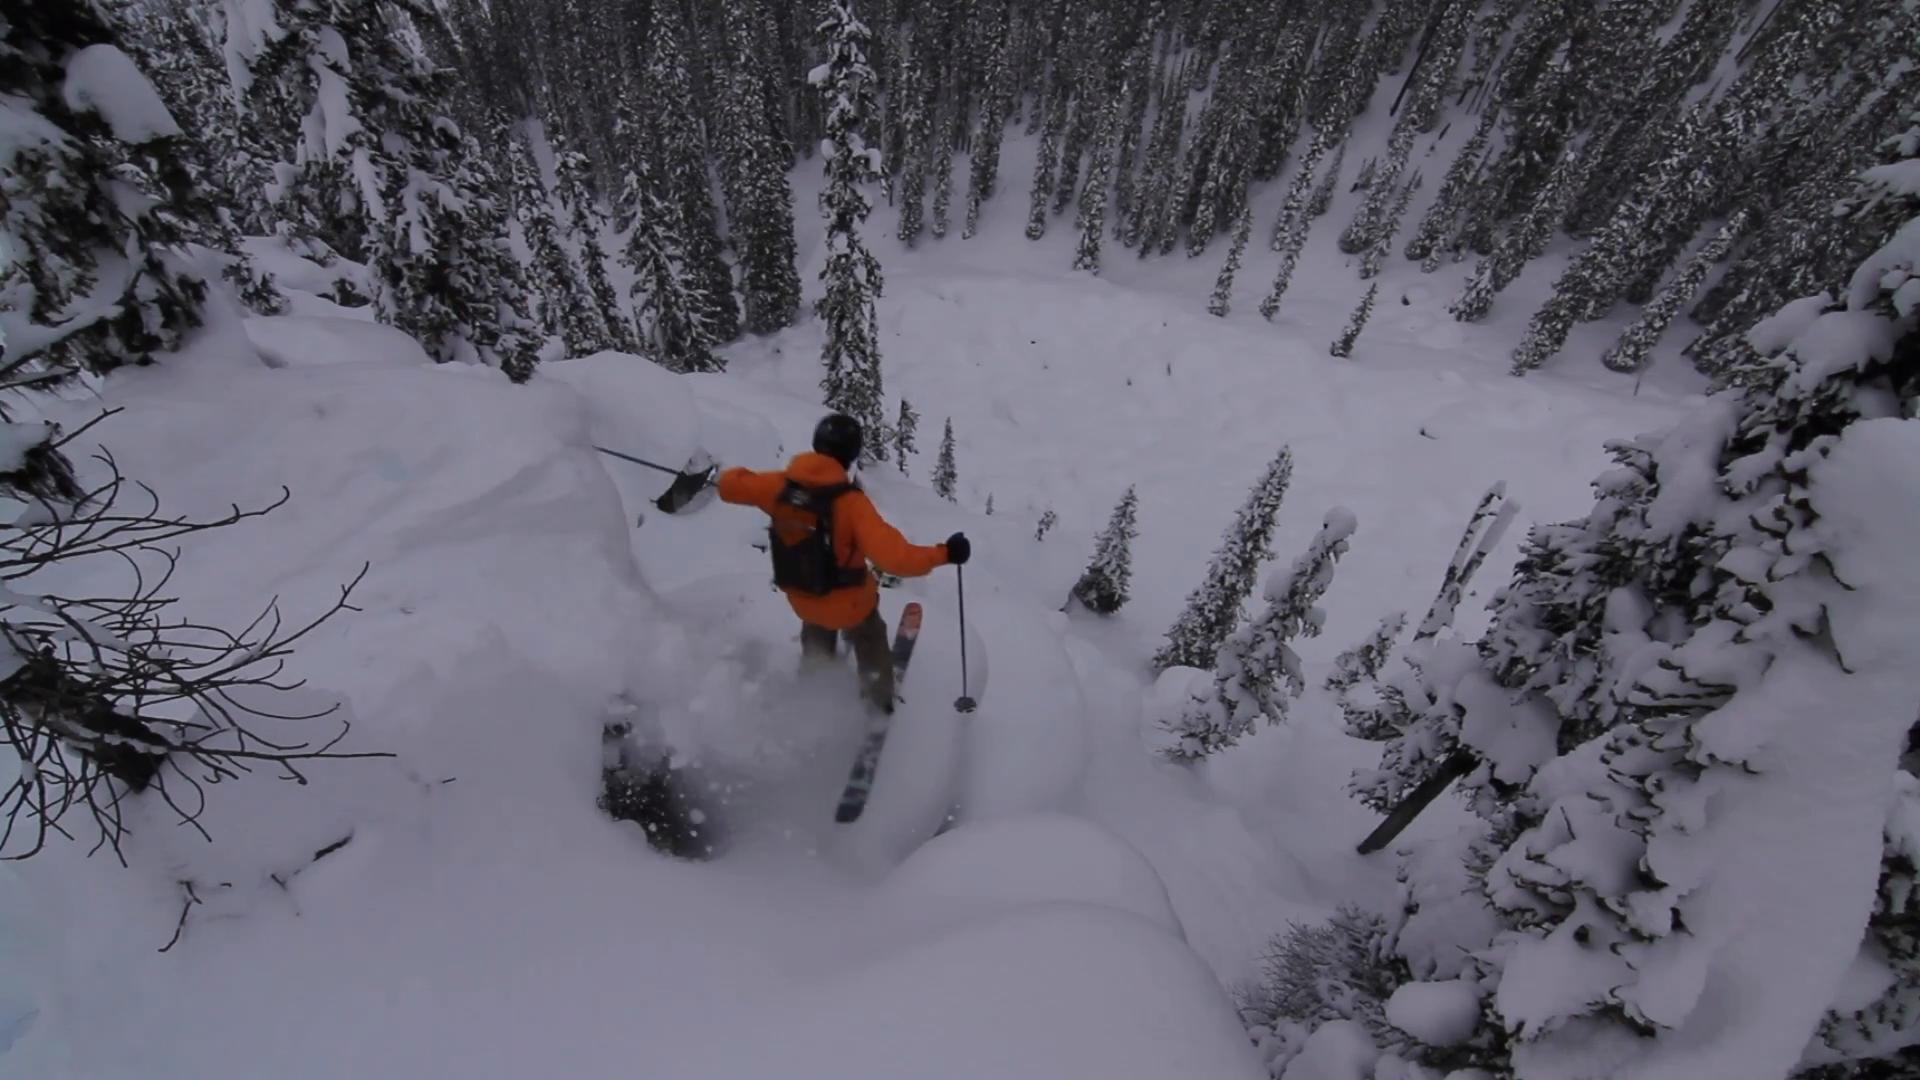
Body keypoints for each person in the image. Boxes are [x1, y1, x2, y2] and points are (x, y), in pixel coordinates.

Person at [718, 413, 970, 714]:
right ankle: (879, 696)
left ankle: (814, 679)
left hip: (801, 598)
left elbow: (729, 486)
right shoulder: (850, 504)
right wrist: (946, 554)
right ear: (852, 454)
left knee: (816, 619)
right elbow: (898, 559)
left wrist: (730, 478)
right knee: (868, 630)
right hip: (850, 605)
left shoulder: (779, 486)